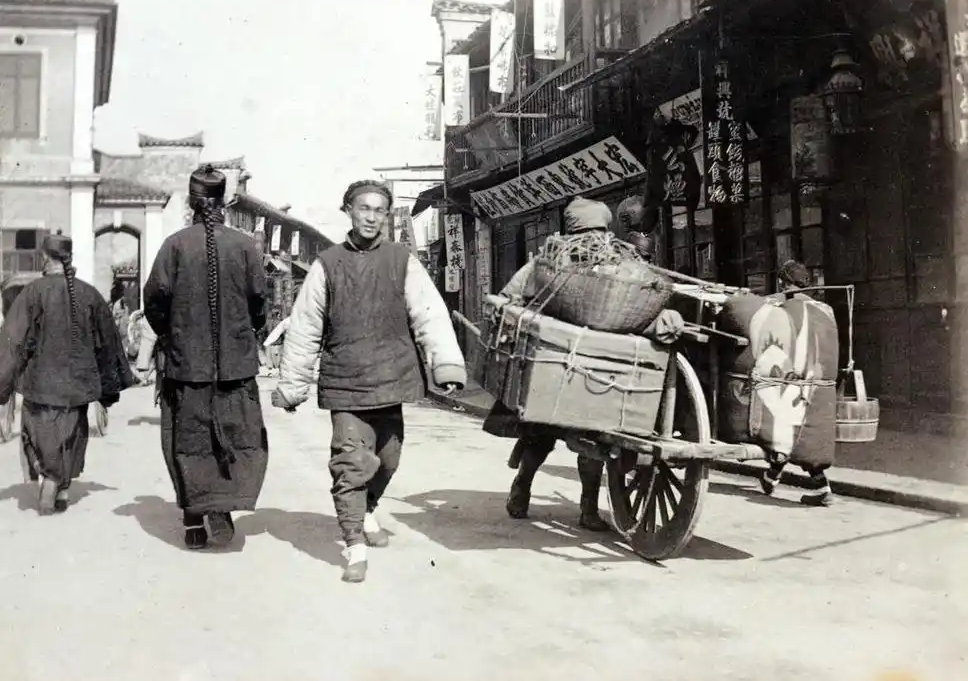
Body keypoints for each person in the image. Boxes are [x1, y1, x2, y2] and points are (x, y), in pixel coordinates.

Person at [271, 179, 466, 584]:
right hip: (346, 382)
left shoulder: (401, 260)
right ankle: (354, 544)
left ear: (387, 216)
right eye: (364, 208)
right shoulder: (327, 264)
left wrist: (446, 364)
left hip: (393, 378)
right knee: (351, 464)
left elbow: (428, 313)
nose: (372, 217)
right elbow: (304, 328)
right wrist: (293, 385)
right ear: (348, 210)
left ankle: (368, 509)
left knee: (388, 459)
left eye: (380, 210)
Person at [492, 196, 684, 531]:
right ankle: (584, 509)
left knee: (544, 435)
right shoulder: (620, 261)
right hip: (601, 366)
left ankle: (525, 489)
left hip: (560, 361)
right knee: (589, 439)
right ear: (606, 227)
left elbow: (509, 298)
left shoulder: (548, 261)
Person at [143, 164, 270, 549]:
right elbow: (259, 303)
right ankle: (219, 506)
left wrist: (171, 334)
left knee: (187, 440)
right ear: (224, 203)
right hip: (235, 367)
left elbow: (155, 301)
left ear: (191, 202)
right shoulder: (245, 247)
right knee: (233, 438)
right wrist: (245, 331)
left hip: (185, 366)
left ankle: (194, 520)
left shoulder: (175, 246)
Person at [0, 232, 136, 514]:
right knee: (71, 436)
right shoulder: (90, 295)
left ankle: (49, 477)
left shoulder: (32, 293)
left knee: (37, 434)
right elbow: (108, 345)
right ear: (70, 258)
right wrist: (110, 388)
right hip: (77, 386)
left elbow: (13, 342)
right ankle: (61, 487)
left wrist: (3, 382)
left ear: (44, 258)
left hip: (39, 384)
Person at [759, 259, 835, 506]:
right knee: (805, 434)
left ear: (783, 283)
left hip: (796, 383)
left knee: (784, 427)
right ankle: (776, 477)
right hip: (823, 386)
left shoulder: (783, 309)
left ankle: (776, 474)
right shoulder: (826, 310)